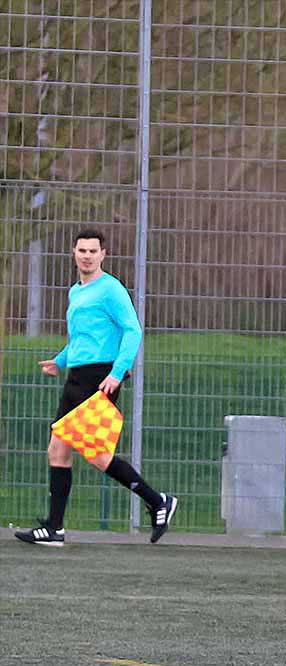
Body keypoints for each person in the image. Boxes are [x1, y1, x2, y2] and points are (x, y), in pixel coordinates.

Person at [15, 230, 179, 547]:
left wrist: (117, 373)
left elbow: (132, 330)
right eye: (82, 250)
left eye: (93, 250)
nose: (87, 255)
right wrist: (60, 361)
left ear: (103, 254)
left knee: (98, 456)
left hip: (100, 379)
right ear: (73, 252)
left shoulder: (111, 290)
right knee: (58, 450)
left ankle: (158, 501)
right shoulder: (76, 291)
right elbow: (81, 338)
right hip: (77, 377)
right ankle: (55, 528)